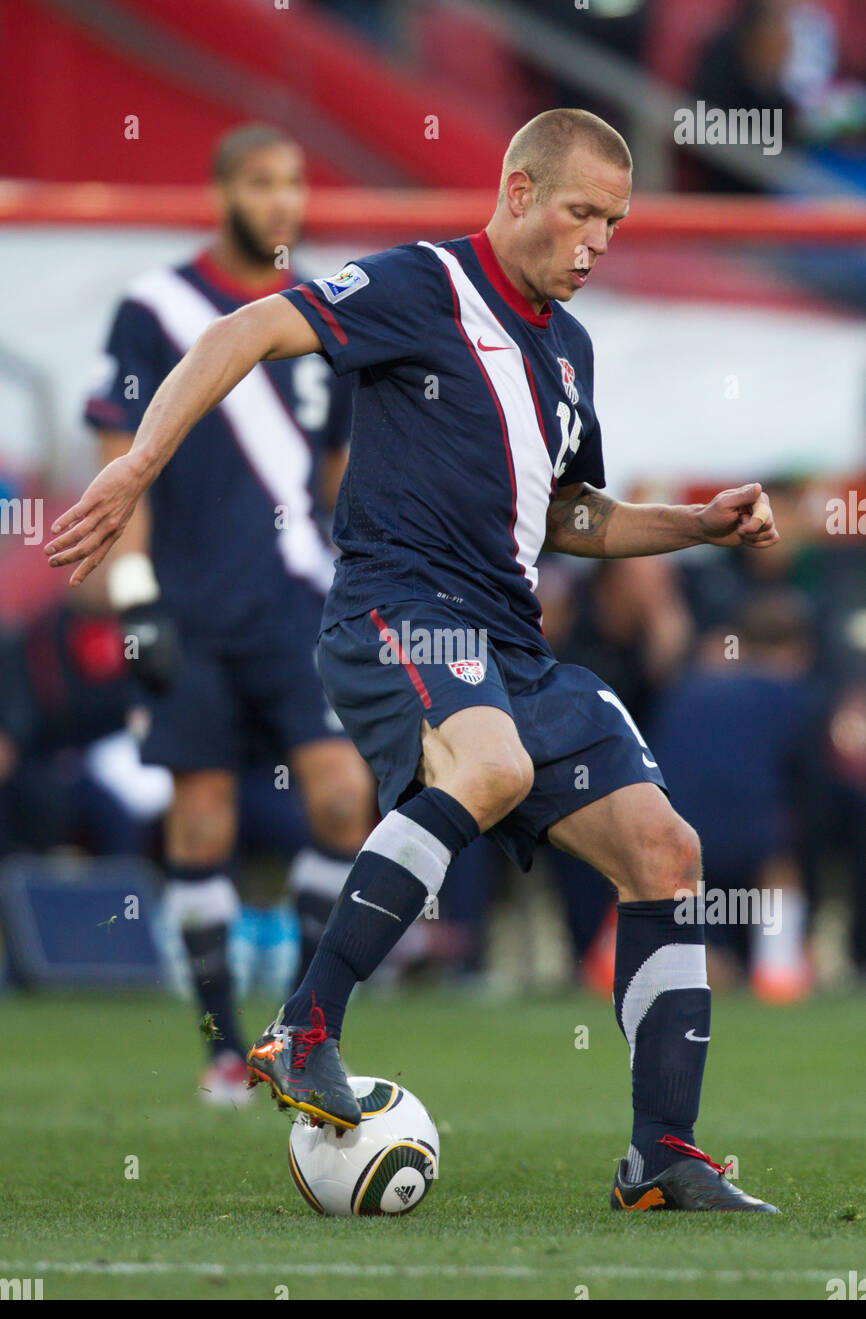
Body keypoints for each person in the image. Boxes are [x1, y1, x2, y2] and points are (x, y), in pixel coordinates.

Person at [48, 108, 781, 1211]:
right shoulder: (419, 283)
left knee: (662, 849)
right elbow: (241, 333)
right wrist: (137, 465)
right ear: (519, 190)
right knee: (488, 769)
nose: (596, 241)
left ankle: (661, 1152)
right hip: (398, 610)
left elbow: (566, 517)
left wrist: (694, 524)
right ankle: (301, 1027)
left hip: (511, 642)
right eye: (581, 212)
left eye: (615, 224)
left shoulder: (567, 350)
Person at [82, 124, 373, 1104]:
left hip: (297, 602)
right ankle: (219, 1046)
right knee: (199, 824)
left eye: (294, 182)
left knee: (341, 801)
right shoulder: (155, 310)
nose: (282, 202)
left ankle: (296, 1027)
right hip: (193, 608)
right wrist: (134, 597)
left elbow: (336, 473)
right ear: (221, 192)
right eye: (261, 183)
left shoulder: (326, 311)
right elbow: (120, 457)